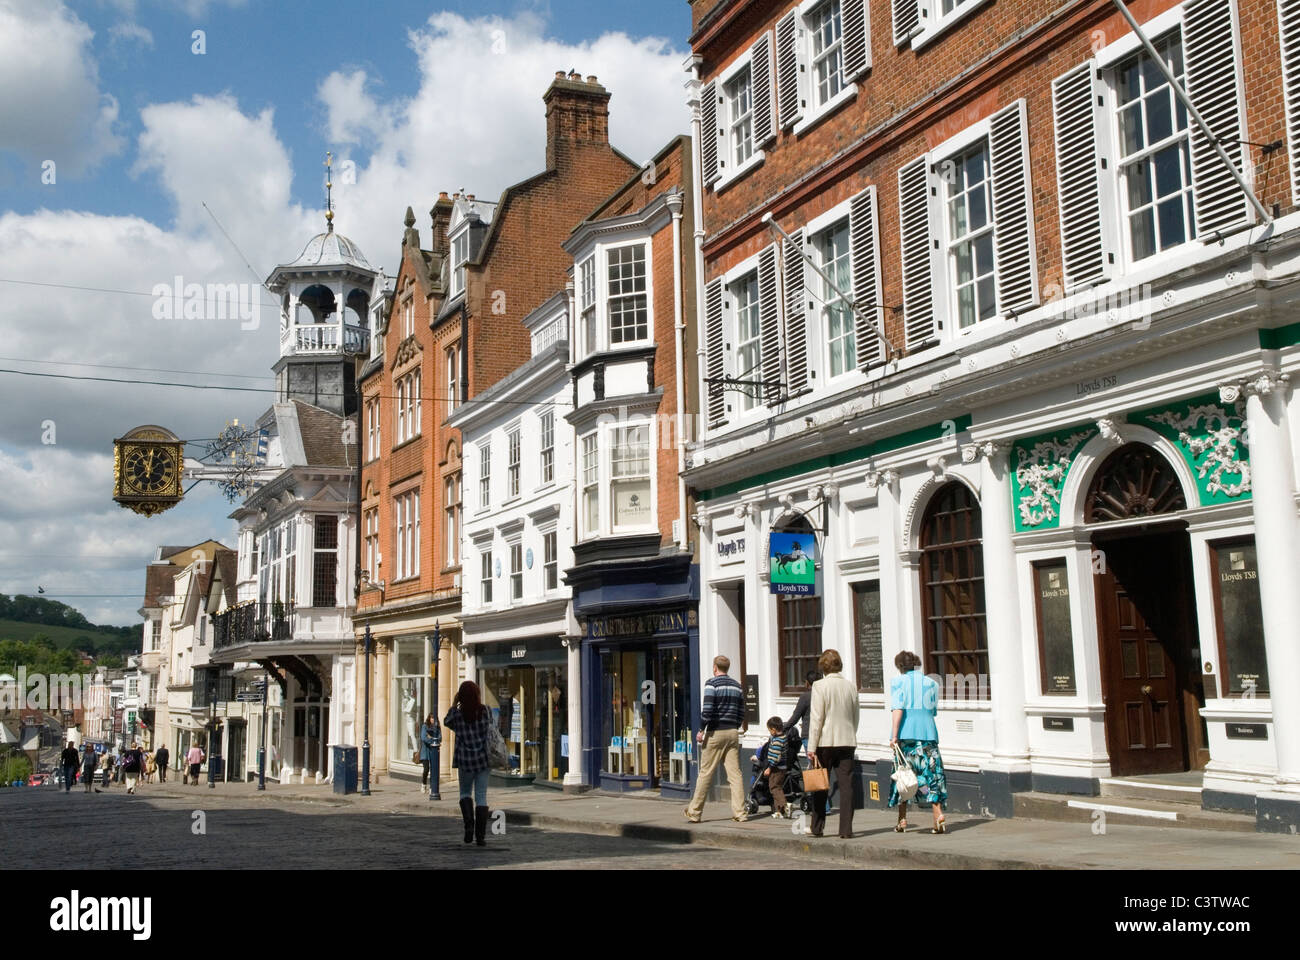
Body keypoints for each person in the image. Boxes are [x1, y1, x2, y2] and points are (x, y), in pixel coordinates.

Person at [684, 655, 748, 824]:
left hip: (715, 733)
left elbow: (707, 710)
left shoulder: (711, 684)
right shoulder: (737, 686)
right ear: (727, 668)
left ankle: (695, 812)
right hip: (733, 732)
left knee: (705, 772)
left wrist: (701, 730)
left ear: (715, 667)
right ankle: (740, 813)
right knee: (735, 775)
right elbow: (742, 711)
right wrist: (735, 725)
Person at [889, 650, 947, 834]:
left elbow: (898, 709)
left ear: (900, 667)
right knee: (932, 775)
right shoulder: (931, 683)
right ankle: (938, 814)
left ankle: (902, 819)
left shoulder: (898, 682)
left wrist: (894, 735)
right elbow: (933, 711)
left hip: (906, 737)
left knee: (904, 777)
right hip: (928, 734)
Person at [807, 649, 860, 839]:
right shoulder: (850, 686)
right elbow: (855, 716)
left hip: (825, 742)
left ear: (823, 667)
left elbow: (816, 718)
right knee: (847, 786)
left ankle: (817, 826)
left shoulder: (819, 686)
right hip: (846, 740)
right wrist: (851, 734)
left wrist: (811, 747)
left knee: (821, 785)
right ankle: (846, 830)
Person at [443, 681, 493, 846]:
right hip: (483, 759)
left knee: (465, 793)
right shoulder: (486, 711)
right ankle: (480, 836)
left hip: (465, 760)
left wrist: (454, 703)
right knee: (481, 796)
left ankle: (468, 827)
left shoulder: (457, 715)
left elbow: (446, 721)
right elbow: (493, 727)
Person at [760, 717, 790, 818]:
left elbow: (775, 757)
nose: (769, 732)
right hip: (782, 767)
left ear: (773, 729)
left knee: (775, 788)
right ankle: (779, 811)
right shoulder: (783, 737)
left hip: (776, 768)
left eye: (769, 730)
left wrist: (769, 768)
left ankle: (784, 806)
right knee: (776, 787)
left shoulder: (777, 741)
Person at [419, 713, 439, 793]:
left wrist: (432, 739)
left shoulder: (437, 727)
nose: (432, 720)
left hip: (434, 752)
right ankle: (423, 785)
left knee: (433, 770)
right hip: (425, 752)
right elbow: (423, 738)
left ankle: (432, 787)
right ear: (429, 719)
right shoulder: (424, 726)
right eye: (431, 718)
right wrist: (433, 741)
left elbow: (440, 737)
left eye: (434, 718)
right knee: (426, 769)